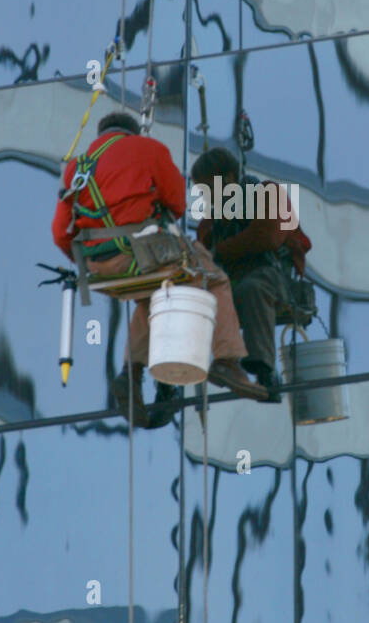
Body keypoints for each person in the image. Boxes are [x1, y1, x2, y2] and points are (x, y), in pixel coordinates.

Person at [52, 112, 267, 426]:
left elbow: (60, 232)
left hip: (97, 265)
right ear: (131, 132)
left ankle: (131, 373)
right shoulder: (148, 149)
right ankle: (227, 360)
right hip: (140, 253)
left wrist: (90, 262)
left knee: (151, 297)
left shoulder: (77, 167)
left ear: (101, 136)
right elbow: (178, 204)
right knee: (214, 278)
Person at [190, 148, 311, 399]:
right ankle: (194, 372)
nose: (207, 197)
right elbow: (201, 253)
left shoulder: (269, 195)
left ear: (231, 179)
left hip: (276, 279)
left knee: (252, 288)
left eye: (209, 189)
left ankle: (264, 371)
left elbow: (267, 236)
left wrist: (218, 251)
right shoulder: (213, 220)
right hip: (233, 284)